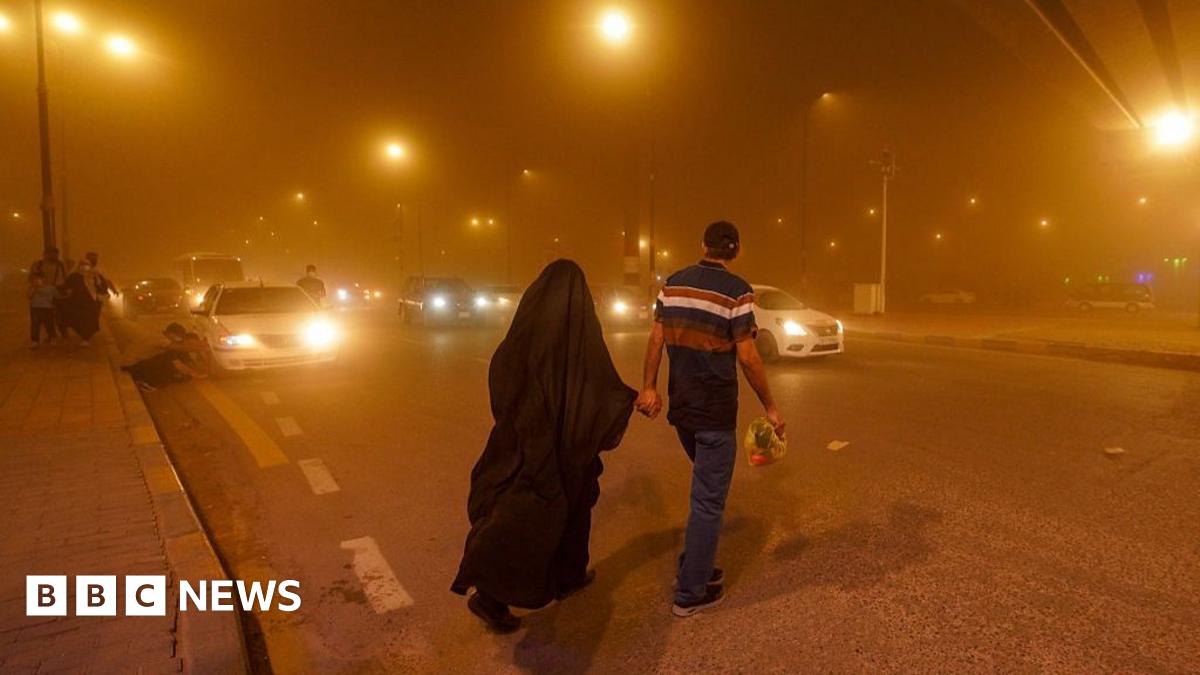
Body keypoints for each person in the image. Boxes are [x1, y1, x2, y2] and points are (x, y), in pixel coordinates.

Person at [451, 259, 637, 634]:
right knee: (528, 523)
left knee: (568, 511)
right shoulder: (582, 346)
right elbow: (603, 391)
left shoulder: (515, 346)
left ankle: (569, 576)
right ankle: (490, 596)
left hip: (521, 448)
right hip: (556, 451)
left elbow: (503, 394)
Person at [635, 220, 785, 618]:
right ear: (736, 251)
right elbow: (748, 356)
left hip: (683, 409)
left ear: (703, 245)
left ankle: (695, 566)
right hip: (715, 413)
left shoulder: (673, 284)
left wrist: (649, 387)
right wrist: (770, 407)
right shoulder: (738, 291)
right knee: (708, 501)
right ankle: (690, 592)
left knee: (704, 488)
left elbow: (656, 338)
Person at [121, 322, 208, 390]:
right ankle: (147, 382)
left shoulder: (159, 335)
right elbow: (181, 349)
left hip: (131, 364)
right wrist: (204, 347)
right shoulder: (161, 340)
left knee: (169, 357)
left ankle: (149, 379)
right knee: (167, 362)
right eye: (179, 336)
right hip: (132, 366)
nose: (179, 338)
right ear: (171, 333)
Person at [59, 262, 102, 346]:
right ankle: (83, 336)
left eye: (87, 265)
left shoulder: (94, 276)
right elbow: (65, 286)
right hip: (76, 303)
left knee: (90, 320)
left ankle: (86, 338)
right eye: (82, 265)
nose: (84, 267)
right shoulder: (73, 277)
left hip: (90, 303)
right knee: (76, 320)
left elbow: (101, 287)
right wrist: (66, 291)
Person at [27, 272, 59, 349]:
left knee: (49, 324)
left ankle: (52, 337)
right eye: (34, 279)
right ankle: (35, 341)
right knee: (35, 325)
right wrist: (34, 289)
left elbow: (57, 296)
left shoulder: (51, 288)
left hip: (47, 308)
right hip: (35, 308)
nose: (36, 281)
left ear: (43, 279)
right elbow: (29, 296)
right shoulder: (31, 288)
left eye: (38, 279)